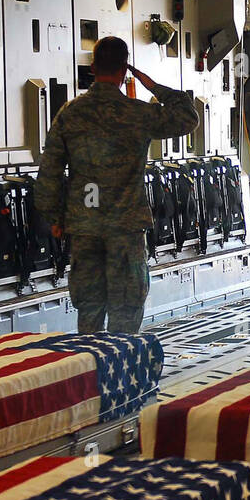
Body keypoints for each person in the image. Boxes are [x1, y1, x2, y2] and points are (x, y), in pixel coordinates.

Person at [35, 36, 200, 333]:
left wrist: (55, 219)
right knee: (125, 309)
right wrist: (153, 86)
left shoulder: (70, 114)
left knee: (89, 308)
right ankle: (121, 372)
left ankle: (91, 371)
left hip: (84, 227)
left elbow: (50, 171)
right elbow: (187, 118)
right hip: (125, 229)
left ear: (93, 67)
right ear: (125, 70)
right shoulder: (138, 113)